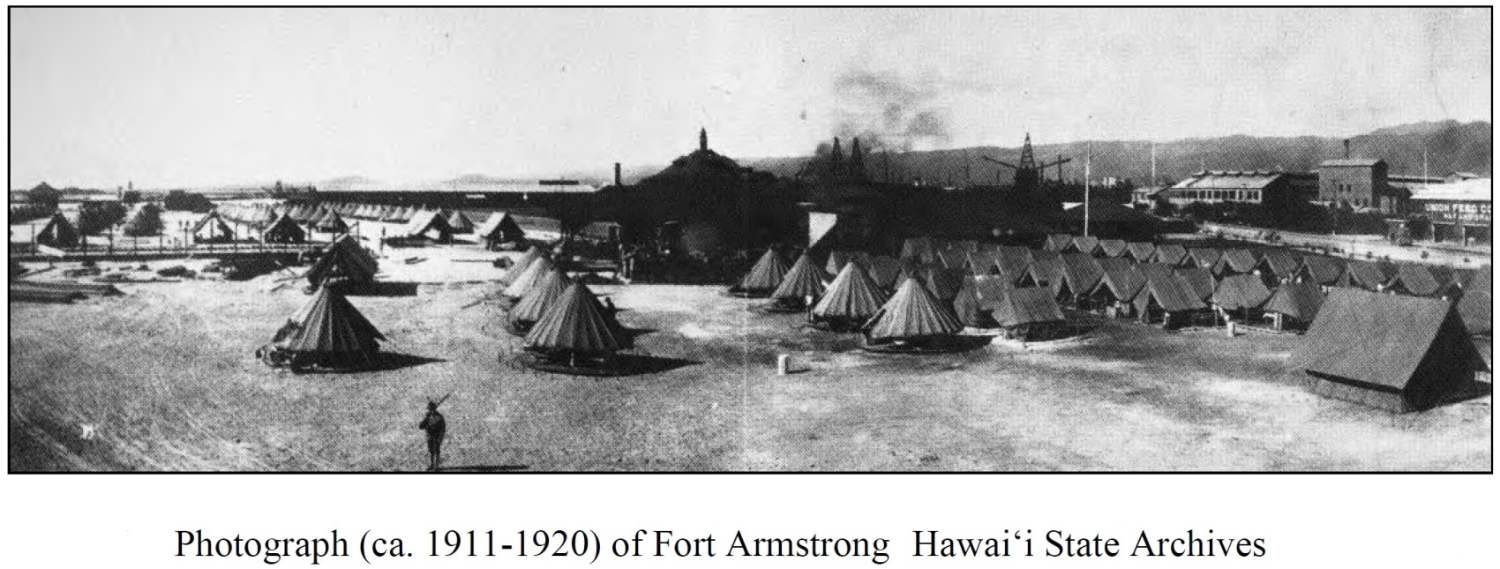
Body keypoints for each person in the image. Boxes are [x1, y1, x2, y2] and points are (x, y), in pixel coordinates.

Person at [417, 401, 446, 472]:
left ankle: (437, 466)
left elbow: (443, 428)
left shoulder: (439, 417)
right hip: (429, 436)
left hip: (437, 436)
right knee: (431, 451)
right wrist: (425, 419)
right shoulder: (428, 416)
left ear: (434, 409)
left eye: (431, 409)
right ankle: (432, 464)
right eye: (429, 409)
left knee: (437, 450)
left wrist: (440, 437)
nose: (430, 410)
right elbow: (421, 426)